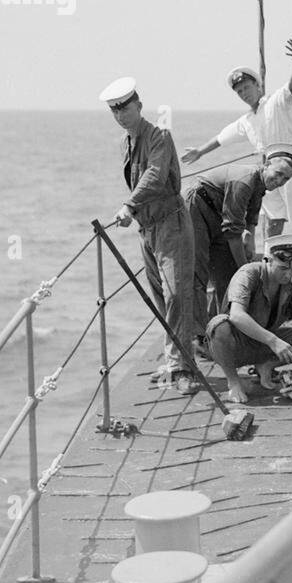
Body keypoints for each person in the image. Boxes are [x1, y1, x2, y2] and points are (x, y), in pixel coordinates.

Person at [99, 76, 197, 393]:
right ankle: (174, 361)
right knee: (160, 296)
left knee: (176, 295)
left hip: (171, 224)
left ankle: (183, 368)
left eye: (124, 108)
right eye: (114, 110)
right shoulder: (127, 142)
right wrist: (134, 212)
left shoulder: (159, 137)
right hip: (149, 228)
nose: (119, 114)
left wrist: (129, 205)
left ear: (139, 106)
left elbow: (155, 176)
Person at [181, 39, 292, 237]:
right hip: (268, 173)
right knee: (273, 222)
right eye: (239, 91)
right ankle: (271, 262)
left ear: (257, 85)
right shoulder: (246, 121)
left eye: (246, 88)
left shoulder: (277, 101)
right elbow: (222, 138)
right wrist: (200, 151)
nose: (243, 93)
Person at [184, 144, 292, 348]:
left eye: (286, 179)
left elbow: (251, 220)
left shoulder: (260, 184)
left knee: (226, 272)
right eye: (278, 174)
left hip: (218, 213)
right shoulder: (245, 181)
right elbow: (233, 233)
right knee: (199, 271)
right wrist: (245, 268)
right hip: (197, 206)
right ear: (266, 164)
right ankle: (200, 336)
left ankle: (224, 327)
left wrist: (249, 246)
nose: (280, 181)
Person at [206, 233, 292, 405]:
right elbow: (236, 315)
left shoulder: (291, 284)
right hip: (237, 344)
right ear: (267, 260)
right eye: (283, 268)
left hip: (265, 343)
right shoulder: (248, 274)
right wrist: (273, 341)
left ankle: (266, 365)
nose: (289, 274)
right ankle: (234, 381)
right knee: (220, 325)